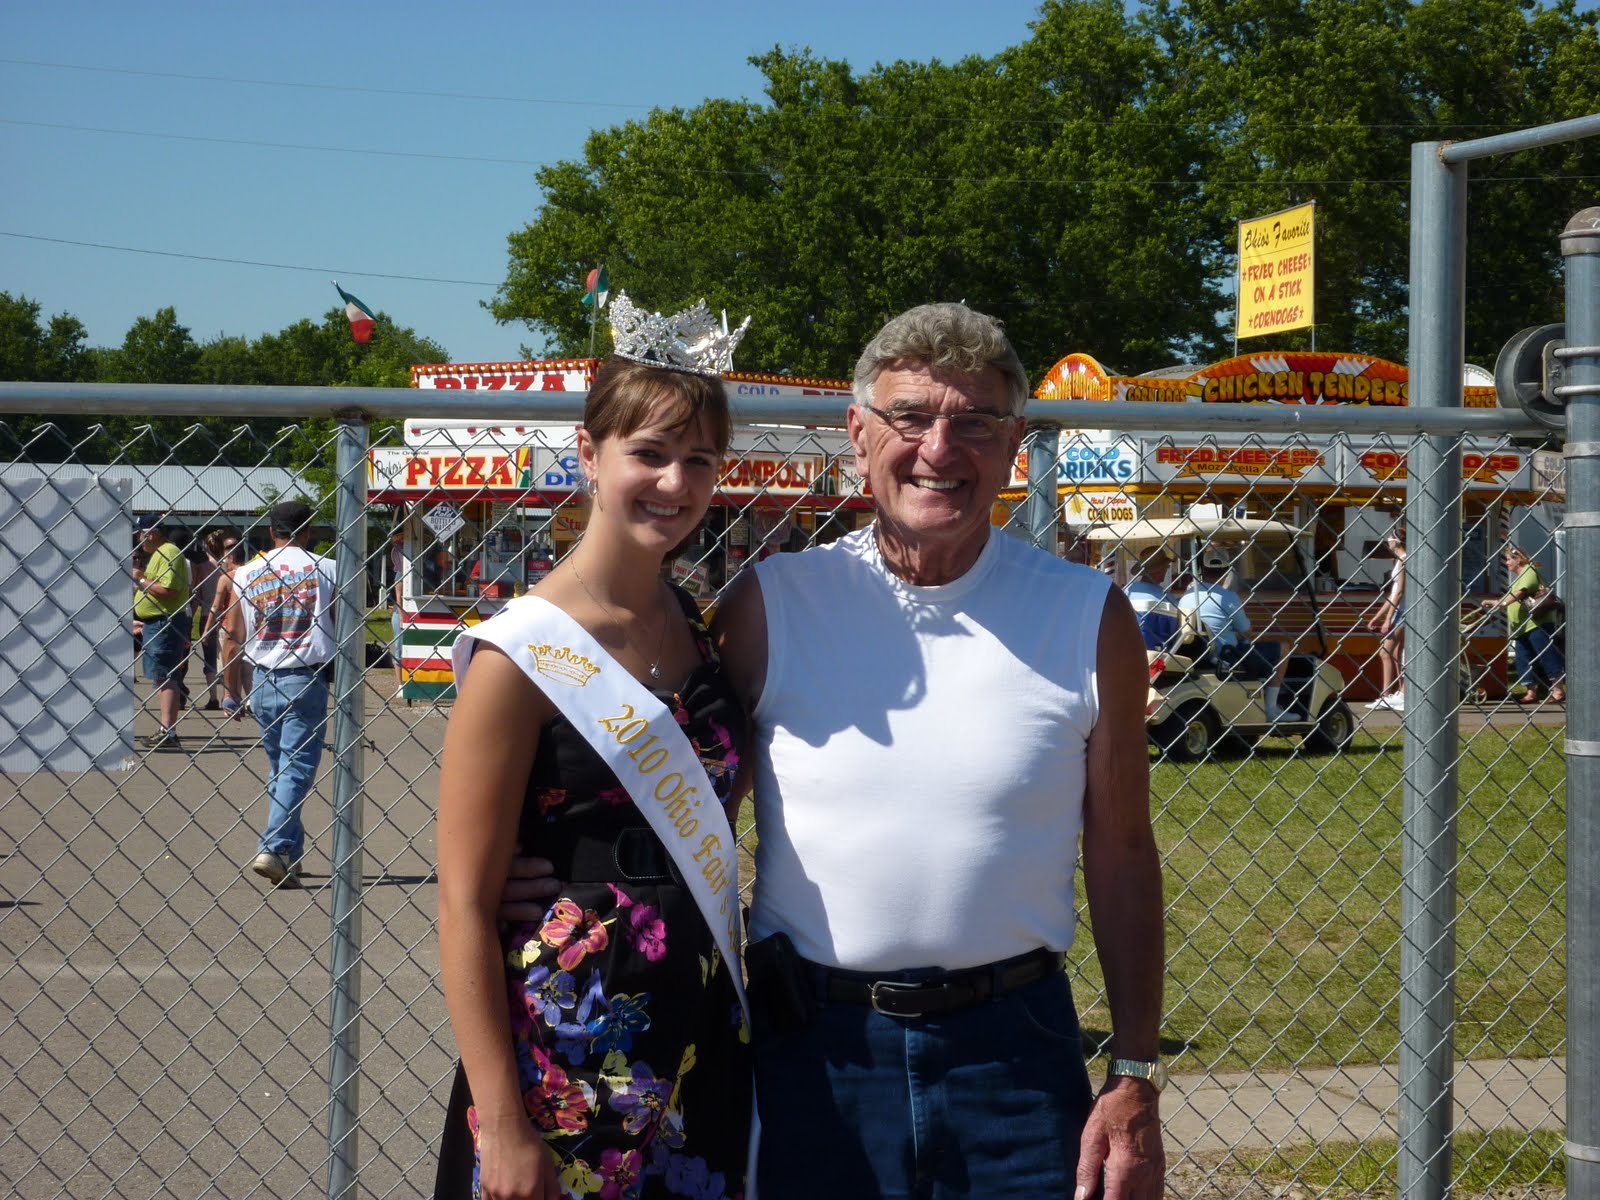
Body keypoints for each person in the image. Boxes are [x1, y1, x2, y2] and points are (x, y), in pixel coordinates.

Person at [711, 303, 1165, 1199]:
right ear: (857, 432)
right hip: (814, 1053)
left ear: (1015, 443)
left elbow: (1121, 850)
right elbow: (689, 825)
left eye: (976, 422)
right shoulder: (769, 606)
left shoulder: (1086, 613)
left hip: (1017, 1058)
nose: (939, 448)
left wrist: (1137, 1071)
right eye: (910, 417)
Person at [435, 299, 754, 1200]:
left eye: (699, 460)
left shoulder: (699, 628)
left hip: (698, 1019)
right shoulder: (520, 653)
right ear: (589, 455)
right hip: (568, 1039)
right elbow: (462, 901)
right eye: (648, 453)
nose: (675, 483)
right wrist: (500, 1119)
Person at [235, 501, 337, 887]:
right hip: (304, 676)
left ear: (270, 530)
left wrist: (232, 688)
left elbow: (234, 632)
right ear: (306, 530)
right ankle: (274, 847)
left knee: (281, 769)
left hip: (262, 676)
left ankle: (290, 858)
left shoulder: (247, 572)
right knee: (296, 769)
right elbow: (339, 621)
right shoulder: (325, 567)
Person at [1178, 556, 1292, 721]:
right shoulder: (1228, 597)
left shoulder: (1187, 596)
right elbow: (1248, 631)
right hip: (1227, 655)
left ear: (1202, 571)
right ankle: (1271, 708)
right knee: (1283, 647)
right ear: (1225, 573)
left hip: (1198, 653)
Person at [132, 513, 192, 751]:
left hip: (164, 622)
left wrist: (140, 579)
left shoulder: (168, 552)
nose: (139, 538)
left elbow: (168, 590)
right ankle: (167, 730)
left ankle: (168, 731)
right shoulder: (160, 553)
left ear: (151, 533)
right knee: (161, 676)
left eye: (140, 533)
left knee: (165, 676)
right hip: (156, 622)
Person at [1482, 544, 1565, 705]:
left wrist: (1501, 603)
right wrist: (1499, 603)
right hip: (1521, 627)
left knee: (1545, 655)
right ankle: (1531, 691)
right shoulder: (1519, 577)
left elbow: (1520, 593)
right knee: (1523, 658)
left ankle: (1558, 689)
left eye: (1508, 560)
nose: (1506, 563)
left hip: (1536, 624)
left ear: (1518, 559)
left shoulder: (1529, 571)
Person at [204, 534, 250, 718]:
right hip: (249, 626)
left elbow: (215, 608)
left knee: (228, 666)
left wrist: (207, 630)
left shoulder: (226, 578)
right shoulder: (250, 574)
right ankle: (248, 699)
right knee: (246, 665)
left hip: (228, 626)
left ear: (231, 558)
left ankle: (230, 699)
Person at [1366, 528, 1407, 711]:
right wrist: (1377, 616)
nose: (1388, 541)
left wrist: (1387, 619)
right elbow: (1392, 594)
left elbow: (1399, 593)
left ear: (1397, 541)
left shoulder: (1405, 560)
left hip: (1404, 611)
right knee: (1397, 652)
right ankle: (1400, 692)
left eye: (1390, 538)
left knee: (1385, 651)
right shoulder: (1399, 561)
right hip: (1400, 610)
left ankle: (1387, 694)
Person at [1124, 546, 1182, 652]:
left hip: (1126, 645)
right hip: (1155, 649)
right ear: (1160, 569)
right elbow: (1174, 630)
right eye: (1166, 567)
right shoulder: (1165, 597)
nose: (1166, 569)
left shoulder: (1127, 590)